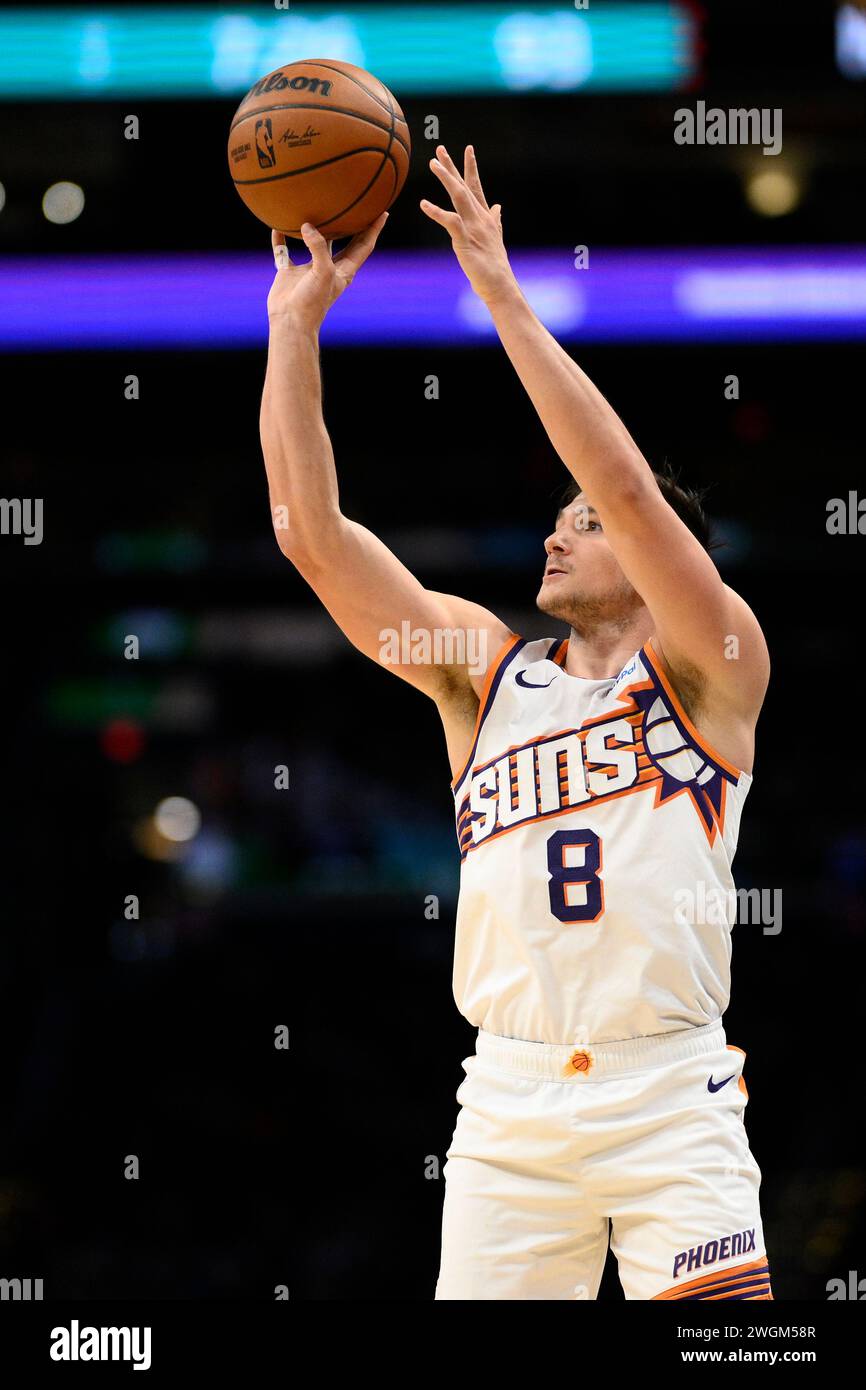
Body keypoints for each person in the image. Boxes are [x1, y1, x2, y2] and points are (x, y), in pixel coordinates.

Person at [260, 144, 773, 1301]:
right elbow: (311, 539)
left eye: (581, 524)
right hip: (506, 1101)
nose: (556, 532)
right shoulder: (479, 674)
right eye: (557, 518)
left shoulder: (712, 665)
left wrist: (496, 290)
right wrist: (294, 328)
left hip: (667, 1094)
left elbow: (629, 488)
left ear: (652, 560)